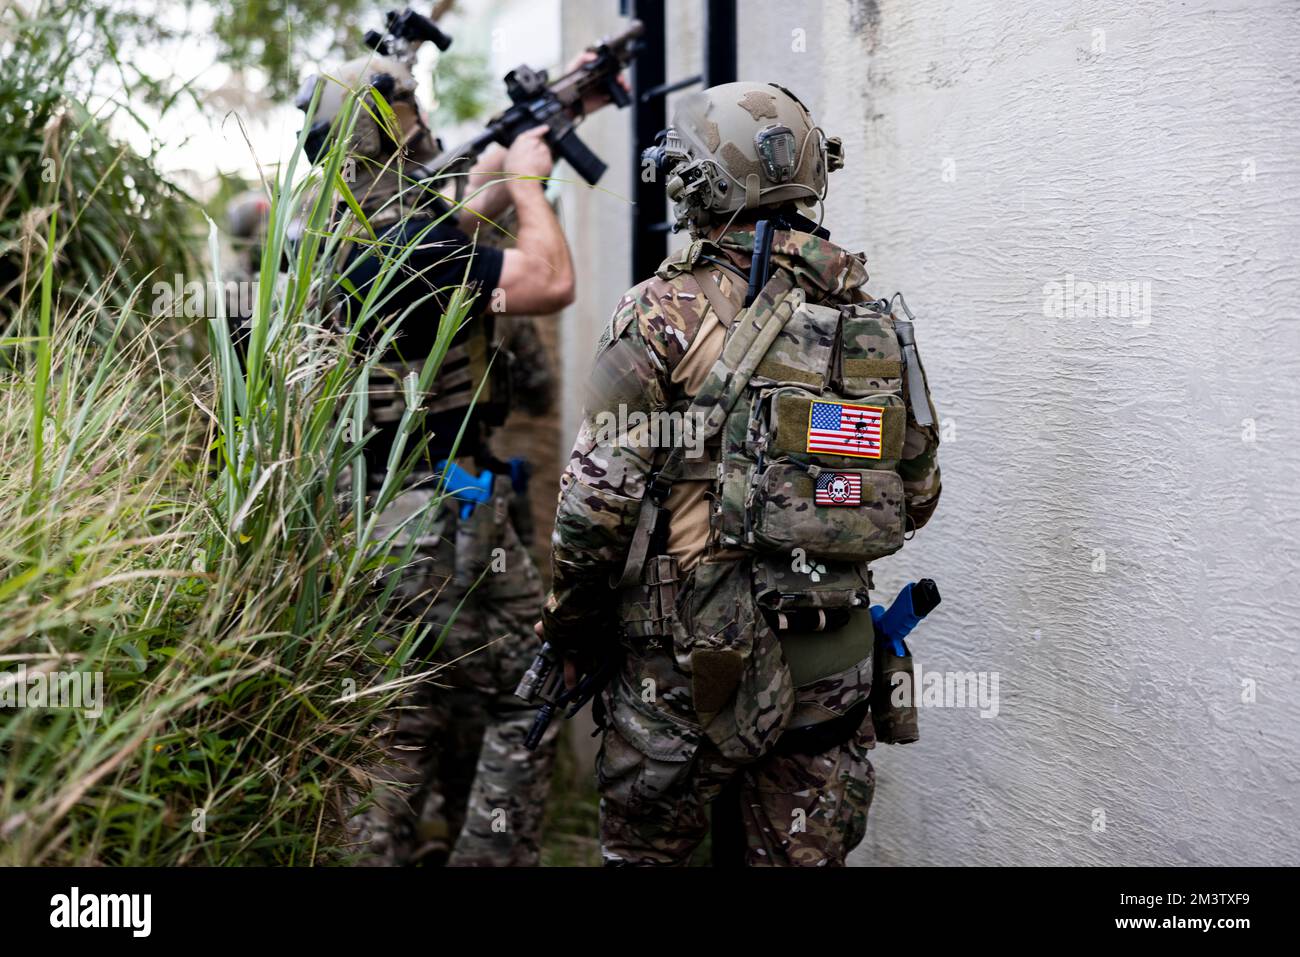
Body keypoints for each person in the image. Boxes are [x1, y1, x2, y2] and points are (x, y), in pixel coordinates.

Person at [540, 81, 943, 866]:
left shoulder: (657, 311)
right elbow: (918, 495)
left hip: (684, 671)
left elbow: (592, 503)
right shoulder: (879, 325)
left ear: (700, 185)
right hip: (833, 661)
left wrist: (568, 629)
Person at [294, 45, 622, 866]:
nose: (427, 130)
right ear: (394, 135)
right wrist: (532, 184)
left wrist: (547, 119)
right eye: (415, 119)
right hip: (448, 516)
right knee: (524, 696)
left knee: (391, 715)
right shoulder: (413, 249)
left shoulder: (333, 234)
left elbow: (457, 235)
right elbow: (544, 278)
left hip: (369, 516)